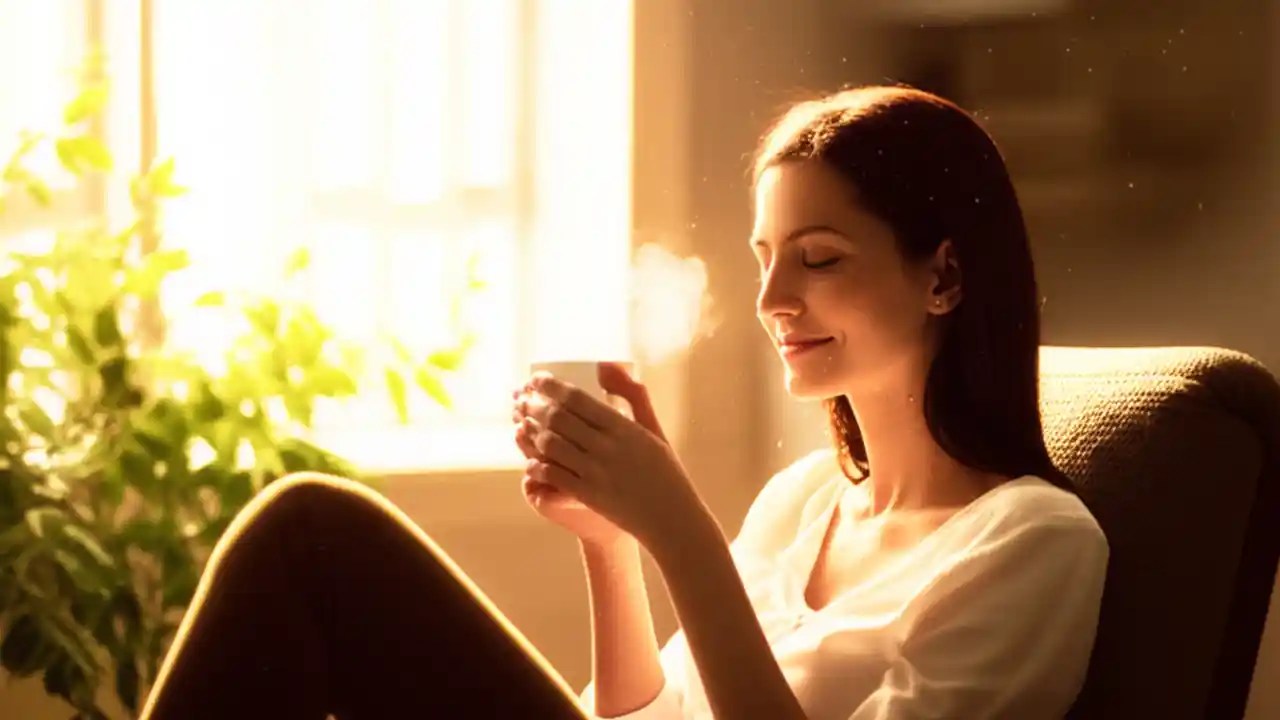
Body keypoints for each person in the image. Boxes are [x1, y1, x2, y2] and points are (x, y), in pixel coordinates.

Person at [138, 84, 1108, 720]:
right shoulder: (802, 502)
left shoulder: (1031, 543)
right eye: (763, 261)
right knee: (307, 538)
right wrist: (613, 541)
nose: (773, 302)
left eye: (818, 260)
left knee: (317, 533)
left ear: (942, 276)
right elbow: (636, 713)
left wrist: (680, 530)